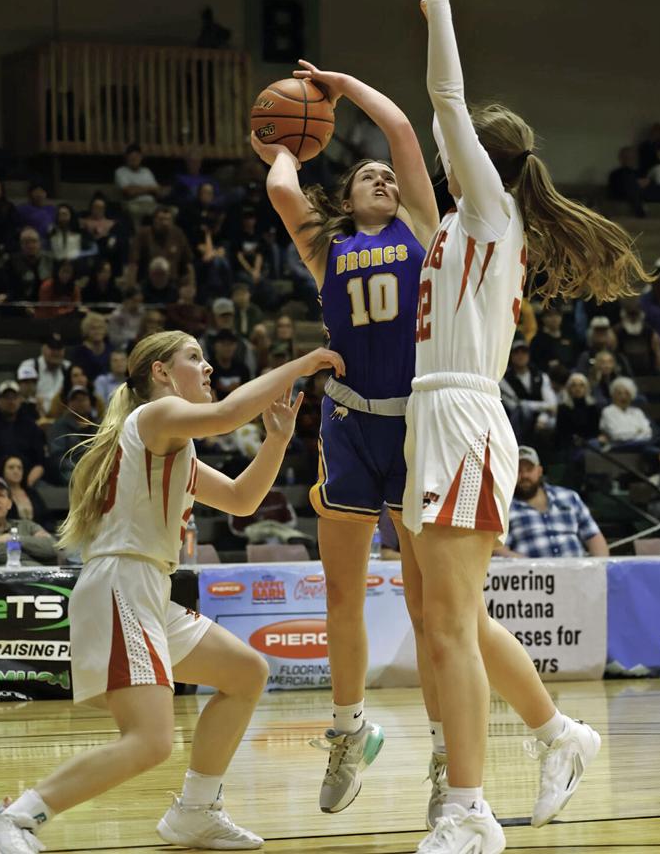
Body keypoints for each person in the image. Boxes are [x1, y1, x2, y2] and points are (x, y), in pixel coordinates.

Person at [401, 0, 648, 851]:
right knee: (434, 620)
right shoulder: (458, 231)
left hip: (464, 420)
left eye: (456, 144)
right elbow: (424, 127)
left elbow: (447, 102)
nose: (441, 147)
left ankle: (469, 812)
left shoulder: (494, 212)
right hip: (435, 419)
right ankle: (558, 733)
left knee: (453, 628)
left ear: (484, 164)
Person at [0, 330, 344, 854]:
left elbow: (243, 499)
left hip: (149, 588)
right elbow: (228, 414)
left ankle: (196, 811)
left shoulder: (170, 443)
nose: (206, 368)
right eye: (194, 358)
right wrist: (302, 363)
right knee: (151, 740)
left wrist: (276, 439)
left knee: (246, 673)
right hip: (122, 584)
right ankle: (17, 817)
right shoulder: (154, 420)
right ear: (160, 372)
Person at [251, 47, 439, 816]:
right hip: (350, 422)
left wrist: (337, 87)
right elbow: (280, 187)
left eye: (389, 179)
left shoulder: (423, 227)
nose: (386, 180)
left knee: (430, 609)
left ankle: (443, 751)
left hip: (418, 428)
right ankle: (347, 730)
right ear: (347, 196)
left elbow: (398, 128)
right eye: (370, 177)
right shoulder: (327, 247)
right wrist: (282, 145)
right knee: (341, 592)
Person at [495, 447, 609, 558]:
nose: (524, 475)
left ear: (539, 471)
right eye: (518, 470)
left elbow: (594, 537)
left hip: (576, 572)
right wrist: (527, 566)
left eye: (529, 469)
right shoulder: (504, 508)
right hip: (532, 575)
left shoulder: (569, 497)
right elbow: (499, 549)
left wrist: (599, 569)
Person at [0, 477, 57, 567]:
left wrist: (13, 539)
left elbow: (52, 548)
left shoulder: (27, 525)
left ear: (9, 504)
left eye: (1, 495)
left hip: (36, 579)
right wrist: (33, 553)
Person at [0, 381, 47, 487]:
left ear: (20, 400)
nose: (11, 401)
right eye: (7, 398)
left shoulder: (31, 426)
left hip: (28, 478)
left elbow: (40, 462)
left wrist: (29, 481)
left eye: (14, 397)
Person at [18, 333, 72, 416]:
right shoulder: (29, 366)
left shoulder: (69, 367)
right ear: (43, 348)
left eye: (59, 348)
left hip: (61, 418)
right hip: (35, 416)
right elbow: (22, 395)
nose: (56, 352)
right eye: (52, 348)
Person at [114, 143, 165, 225]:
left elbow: (158, 191)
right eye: (131, 156)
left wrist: (137, 188)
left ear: (141, 157)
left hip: (152, 204)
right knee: (137, 211)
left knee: (170, 212)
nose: (134, 158)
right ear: (126, 158)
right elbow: (129, 192)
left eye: (137, 156)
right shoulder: (121, 172)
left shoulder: (147, 171)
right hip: (132, 204)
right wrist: (149, 189)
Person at [598, 377, 654, 449]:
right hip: (617, 448)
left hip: (640, 445)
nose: (623, 397)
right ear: (613, 395)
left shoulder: (637, 412)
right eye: (619, 393)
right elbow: (616, 435)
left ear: (632, 396)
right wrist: (638, 431)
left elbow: (648, 433)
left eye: (627, 393)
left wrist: (629, 433)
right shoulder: (608, 412)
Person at [0, 454, 49, 528]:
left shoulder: (32, 493)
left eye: (19, 468)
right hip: (10, 534)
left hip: (38, 534)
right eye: (11, 467)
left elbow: (46, 517)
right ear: (3, 470)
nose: (16, 471)